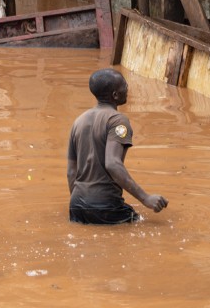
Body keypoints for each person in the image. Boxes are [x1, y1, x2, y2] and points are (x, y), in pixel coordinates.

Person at [67, 68, 168, 224]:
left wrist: (83, 204)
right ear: (115, 95)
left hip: (76, 205)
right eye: (125, 86)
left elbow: (71, 172)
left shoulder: (78, 121)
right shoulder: (117, 120)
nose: (127, 89)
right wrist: (145, 198)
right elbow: (113, 163)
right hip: (106, 205)